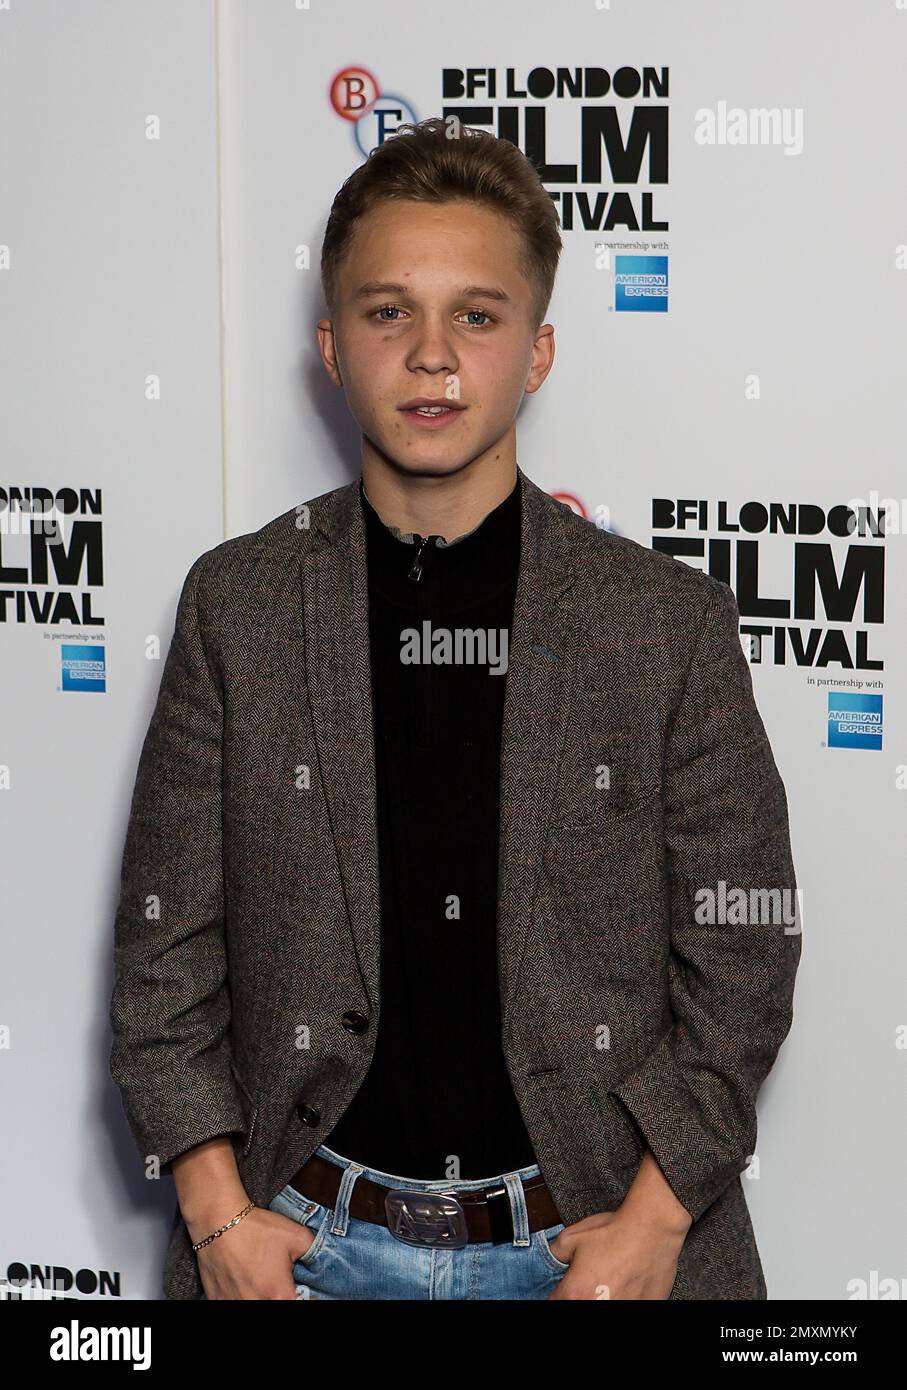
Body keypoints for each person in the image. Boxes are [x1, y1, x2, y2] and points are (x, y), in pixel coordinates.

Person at [109, 116, 801, 1300]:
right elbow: (164, 953)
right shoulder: (239, 604)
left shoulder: (664, 622)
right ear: (332, 346)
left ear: (535, 352)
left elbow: (743, 951)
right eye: (389, 313)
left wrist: (653, 1218)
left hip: (591, 1249)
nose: (432, 356)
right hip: (299, 1247)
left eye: (475, 316)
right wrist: (219, 1216)